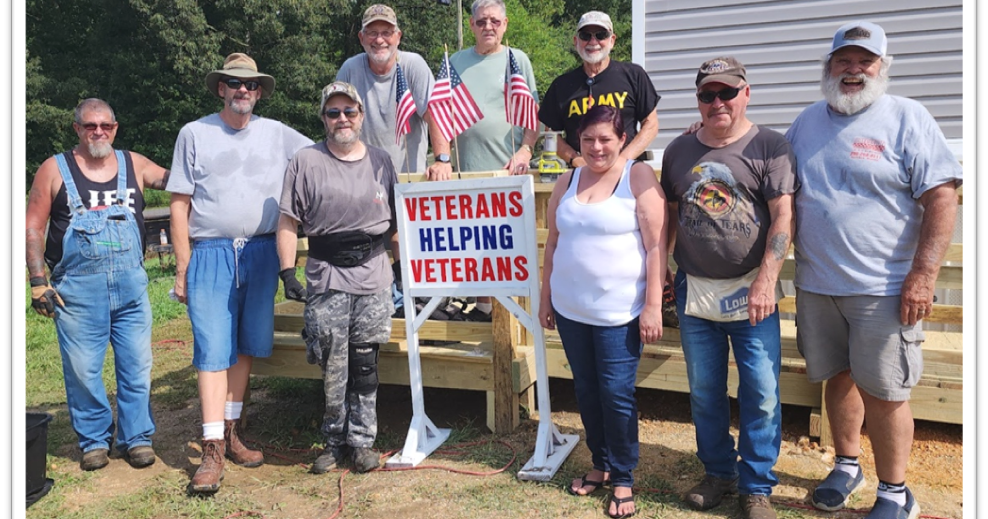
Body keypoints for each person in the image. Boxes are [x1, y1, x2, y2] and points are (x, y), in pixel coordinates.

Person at [786, 21, 961, 519]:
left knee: (885, 392)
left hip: (884, 290)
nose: (854, 70)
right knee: (837, 379)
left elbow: (942, 197)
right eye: (844, 61)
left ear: (882, 67)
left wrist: (923, 276)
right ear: (829, 67)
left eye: (865, 61)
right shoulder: (807, 122)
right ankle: (846, 465)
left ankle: (895, 494)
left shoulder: (908, 118)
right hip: (818, 285)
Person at [168, 52, 314, 493]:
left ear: (259, 91)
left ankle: (231, 432)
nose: (242, 91)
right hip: (210, 251)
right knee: (212, 348)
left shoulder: (276, 133)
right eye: (234, 83)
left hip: (262, 250)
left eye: (250, 85)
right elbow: (179, 203)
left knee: (246, 344)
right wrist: (181, 266)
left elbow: (325, 152)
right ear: (221, 89)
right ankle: (210, 444)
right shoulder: (194, 133)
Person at [661, 57, 796, 519]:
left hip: (751, 292)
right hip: (695, 291)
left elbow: (783, 215)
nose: (718, 102)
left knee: (760, 389)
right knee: (704, 390)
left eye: (727, 93)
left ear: (746, 93)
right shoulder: (678, 151)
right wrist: (662, 266)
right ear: (698, 100)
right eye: (707, 95)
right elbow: (671, 214)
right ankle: (719, 472)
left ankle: (756, 486)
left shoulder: (770, 146)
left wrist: (766, 279)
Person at [25, 98, 169, 472]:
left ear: (115, 128)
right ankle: (93, 439)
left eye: (105, 126)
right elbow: (33, 226)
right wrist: (38, 282)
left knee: (136, 366)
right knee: (83, 370)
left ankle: (136, 437)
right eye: (90, 126)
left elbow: (177, 181)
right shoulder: (54, 169)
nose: (98, 132)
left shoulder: (133, 163)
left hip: (130, 287)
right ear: (77, 129)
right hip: (77, 291)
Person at [538, 105, 667, 519]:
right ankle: (600, 463)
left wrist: (652, 305)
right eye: (589, 139)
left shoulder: (637, 177)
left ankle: (624, 476)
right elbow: (553, 244)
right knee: (587, 391)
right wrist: (545, 298)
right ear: (579, 140)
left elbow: (656, 246)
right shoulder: (567, 179)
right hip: (571, 310)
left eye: (606, 139)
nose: (596, 147)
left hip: (619, 314)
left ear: (623, 140)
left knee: (616, 394)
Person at [276, 81, 397, 475]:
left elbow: (396, 224)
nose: (342, 119)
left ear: (361, 116)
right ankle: (333, 439)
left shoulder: (381, 161)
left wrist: (405, 270)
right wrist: (286, 272)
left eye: (349, 111)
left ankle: (363, 441)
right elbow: (288, 222)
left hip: (374, 275)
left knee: (365, 362)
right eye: (333, 112)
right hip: (327, 278)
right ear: (323, 118)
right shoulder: (305, 161)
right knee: (332, 363)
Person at [437, 0, 540, 321]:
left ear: (505, 24)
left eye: (495, 21)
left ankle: (515, 313)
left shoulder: (516, 59)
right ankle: (483, 309)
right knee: (475, 246)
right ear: (471, 25)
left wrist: (525, 149)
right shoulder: (454, 62)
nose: (488, 27)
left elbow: (533, 112)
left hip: (508, 171)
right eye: (481, 22)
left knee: (507, 247)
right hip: (467, 171)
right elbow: (439, 114)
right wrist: (442, 158)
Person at [336, 4, 452, 180]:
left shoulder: (413, 65)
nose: (379, 40)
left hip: (409, 181)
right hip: (363, 181)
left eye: (386, 33)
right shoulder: (350, 69)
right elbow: (335, 119)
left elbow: (436, 113)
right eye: (372, 33)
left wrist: (442, 160)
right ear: (361, 38)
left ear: (398, 37)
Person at [539, 10, 660, 170]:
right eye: (585, 35)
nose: (593, 41)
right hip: (581, 173)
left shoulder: (633, 75)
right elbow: (550, 134)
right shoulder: (561, 85)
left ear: (612, 40)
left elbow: (651, 124)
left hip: (626, 171)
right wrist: (575, 159)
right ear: (576, 41)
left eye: (601, 35)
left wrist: (623, 160)